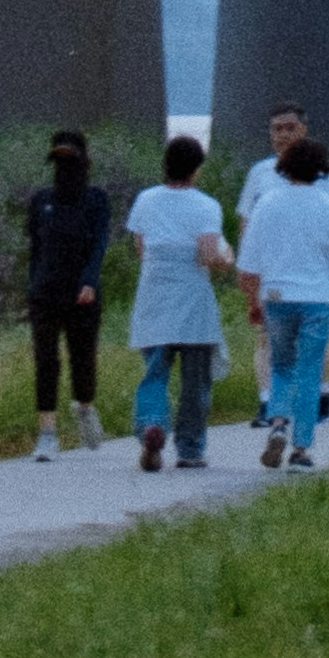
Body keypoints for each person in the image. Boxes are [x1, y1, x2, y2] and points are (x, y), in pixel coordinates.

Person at [244, 132, 329, 471]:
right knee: (310, 373)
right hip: (317, 299)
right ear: (321, 170)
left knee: (280, 366)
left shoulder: (266, 203)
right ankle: (301, 450)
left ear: (284, 167)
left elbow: (249, 265)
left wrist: (254, 300)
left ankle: (278, 422)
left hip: (277, 296)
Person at [123, 134, 234, 474]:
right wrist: (226, 259)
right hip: (192, 303)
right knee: (195, 382)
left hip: (154, 297)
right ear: (197, 170)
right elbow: (206, 255)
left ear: (165, 164)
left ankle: (152, 425)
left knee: (154, 373)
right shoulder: (206, 206)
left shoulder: (145, 200)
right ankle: (190, 447)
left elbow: (141, 249)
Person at [23, 128, 113, 463]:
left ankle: (85, 406)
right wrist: (32, 287)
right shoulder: (41, 201)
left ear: (83, 161)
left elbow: (99, 244)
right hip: (45, 293)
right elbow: (35, 247)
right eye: (59, 161)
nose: (65, 169)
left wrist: (89, 281)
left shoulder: (96, 200)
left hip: (82, 294)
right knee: (46, 361)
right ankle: (46, 433)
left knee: (83, 359)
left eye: (71, 161)